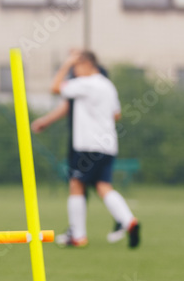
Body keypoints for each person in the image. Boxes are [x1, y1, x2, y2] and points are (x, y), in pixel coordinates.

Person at [47, 50, 140, 248]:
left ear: (87, 64)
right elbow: (117, 115)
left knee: (76, 184)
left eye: (76, 66)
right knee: (103, 185)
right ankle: (128, 220)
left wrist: (65, 64)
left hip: (87, 144)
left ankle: (78, 235)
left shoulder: (85, 84)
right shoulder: (108, 86)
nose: (75, 71)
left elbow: (54, 88)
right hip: (108, 145)